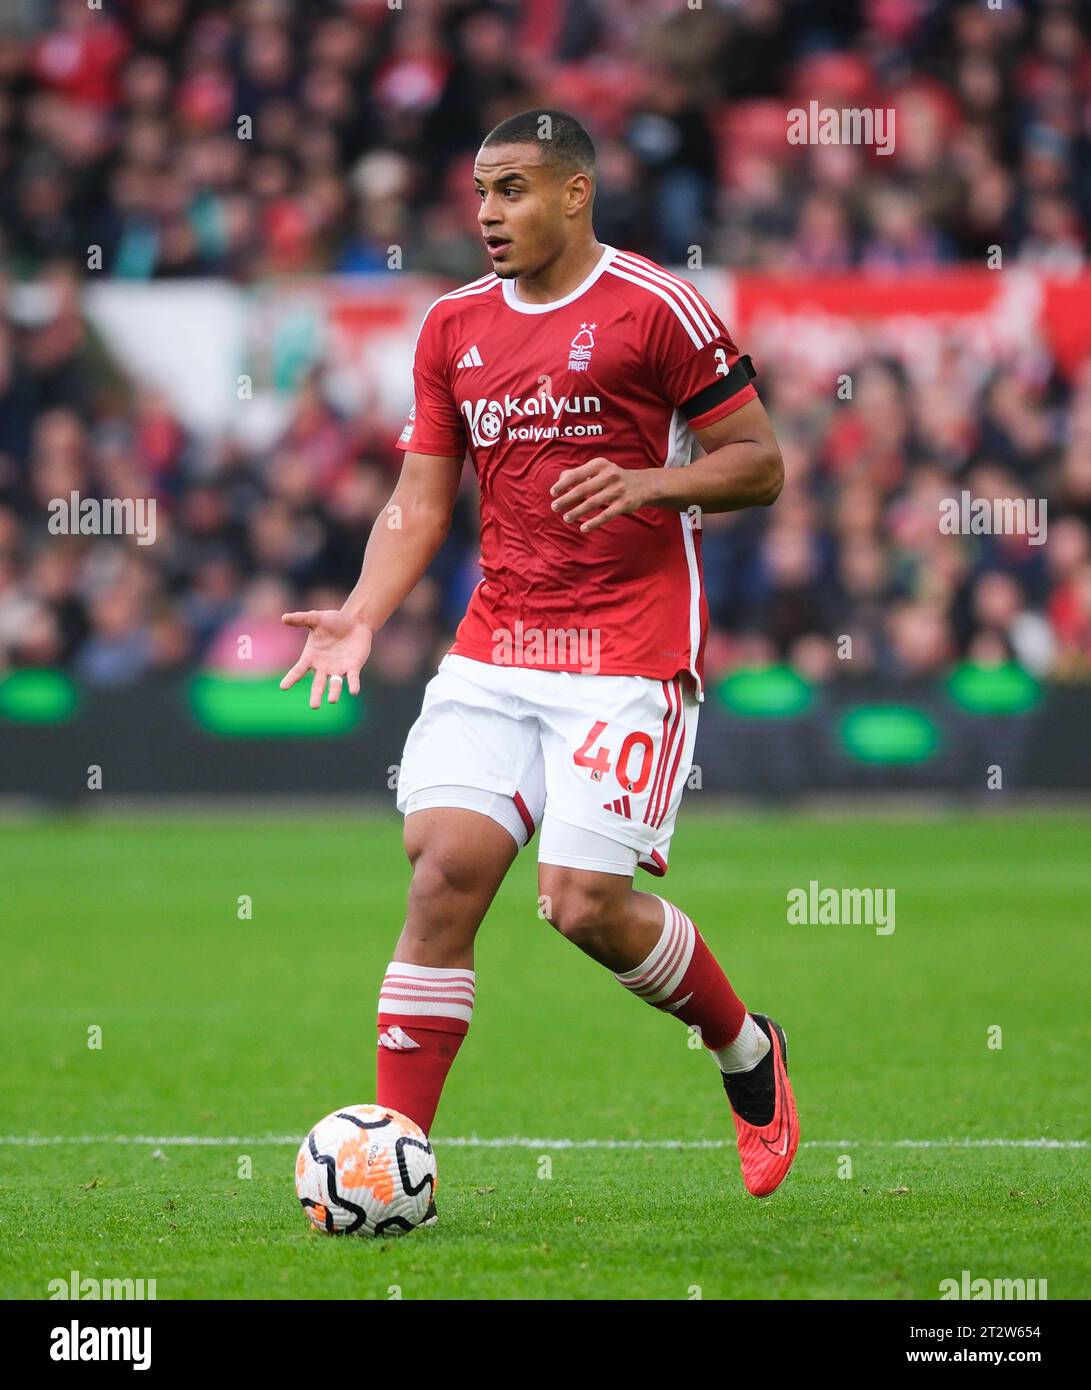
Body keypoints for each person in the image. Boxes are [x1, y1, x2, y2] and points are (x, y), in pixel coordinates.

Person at [280, 109, 798, 1204]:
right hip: (498, 643)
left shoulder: (655, 308)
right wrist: (362, 611)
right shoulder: (451, 327)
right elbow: (420, 503)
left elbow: (758, 463)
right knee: (443, 872)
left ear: (574, 194)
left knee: (579, 903)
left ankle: (745, 1048)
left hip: (626, 647)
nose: (486, 213)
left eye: (511, 189)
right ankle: (390, 1157)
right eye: (478, 192)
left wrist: (651, 482)